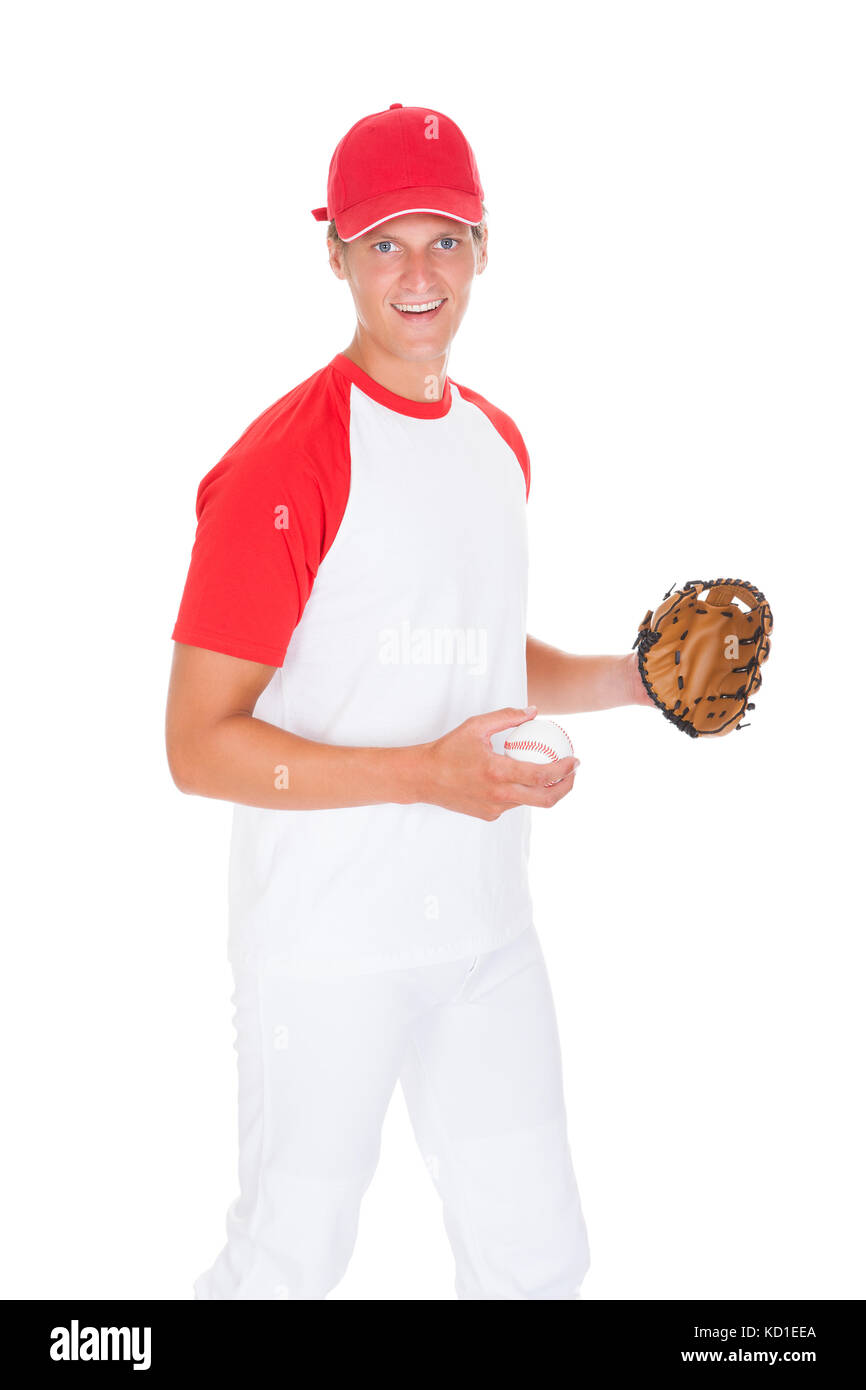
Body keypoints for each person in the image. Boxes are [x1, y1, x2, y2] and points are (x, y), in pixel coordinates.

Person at [166, 102, 653, 1301]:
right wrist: (424, 774)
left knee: (537, 1261)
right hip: (323, 945)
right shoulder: (285, 462)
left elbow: (473, 650)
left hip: (485, 936)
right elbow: (196, 745)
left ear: (484, 248)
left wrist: (633, 679)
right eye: (384, 242)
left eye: (443, 239)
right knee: (286, 1264)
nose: (417, 273)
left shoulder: (496, 442)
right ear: (333, 253)